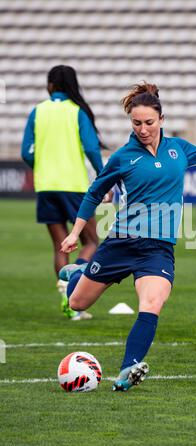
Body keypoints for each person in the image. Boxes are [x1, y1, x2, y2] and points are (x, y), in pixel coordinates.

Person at [59, 82, 196, 390]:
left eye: (148, 122)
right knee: (77, 303)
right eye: (136, 123)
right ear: (130, 122)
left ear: (161, 119)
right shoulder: (122, 157)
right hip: (121, 242)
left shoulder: (178, 149)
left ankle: (126, 372)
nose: (143, 129)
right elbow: (95, 193)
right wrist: (75, 234)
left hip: (158, 249)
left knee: (152, 302)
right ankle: (78, 273)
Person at [21, 65, 105, 320]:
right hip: (74, 186)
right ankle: (74, 282)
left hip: (46, 186)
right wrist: (103, 175)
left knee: (61, 247)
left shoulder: (38, 111)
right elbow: (91, 148)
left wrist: (43, 167)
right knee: (91, 242)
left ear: (50, 86)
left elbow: (26, 152)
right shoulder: (77, 112)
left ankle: (69, 303)